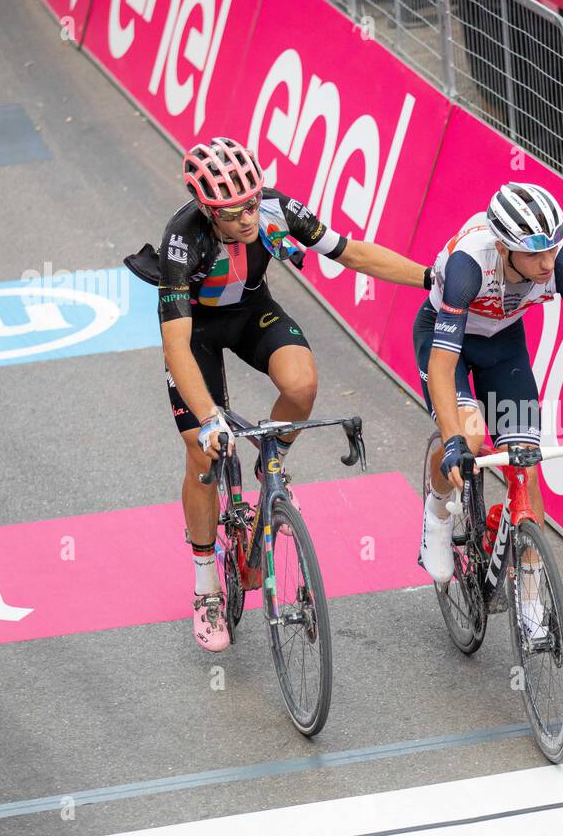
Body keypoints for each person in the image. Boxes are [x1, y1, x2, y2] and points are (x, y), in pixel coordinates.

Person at [126, 136, 431, 652]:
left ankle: (272, 464)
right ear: (207, 209)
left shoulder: (277, 208)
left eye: (251, 204)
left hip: (250, 313)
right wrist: (208, 419)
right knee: (201, 453)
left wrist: (429, 277)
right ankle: (205, 586)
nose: (247, 219)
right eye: (232, 212)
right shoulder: (184, 238)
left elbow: (351, 253)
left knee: (302, 383)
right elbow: (175, 345)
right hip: (195, 332)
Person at [414, 182, 563, 641]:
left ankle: (529, 597)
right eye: (536, 253)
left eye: (554, 248)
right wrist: (450, 443)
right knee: (467, 438)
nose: (549, 263)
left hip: (504, 346)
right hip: (448, 342)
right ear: (505, 246)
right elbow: (443, 367)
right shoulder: (469, 266)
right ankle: (436, 513)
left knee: (524, 459)